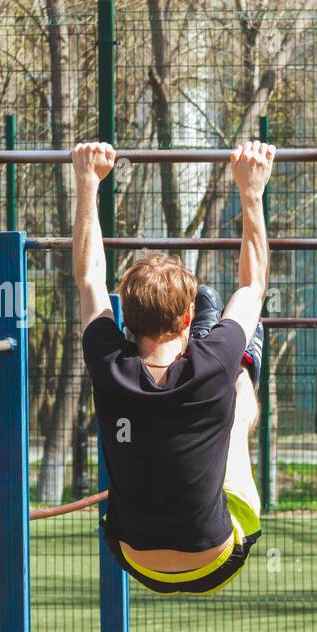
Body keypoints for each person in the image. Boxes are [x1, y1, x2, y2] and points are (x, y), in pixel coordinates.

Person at [72, 139, 275, 594]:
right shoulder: (211, 363)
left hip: (132, 558)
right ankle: (245, 363)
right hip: (219, 556)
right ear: (185, 317)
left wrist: (88, 183)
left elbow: (89, 279)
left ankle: (232, 354)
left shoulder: (108, 361)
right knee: (237, 396)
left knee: (219, 378)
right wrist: (251, 190)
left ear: (124, 319)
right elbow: (253, 284)